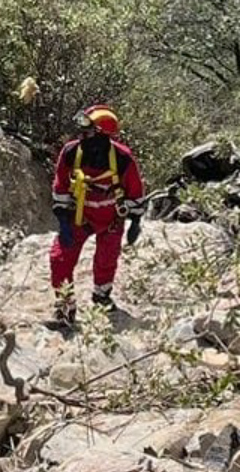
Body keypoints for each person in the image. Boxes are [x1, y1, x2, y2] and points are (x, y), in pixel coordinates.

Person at [48, 104, 146, 327]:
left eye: (88, 130)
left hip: (111, 218)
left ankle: (101, 295)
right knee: (60, 259)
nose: (83, 134)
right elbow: (61, 184)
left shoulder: (122, 158)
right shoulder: (72, 152)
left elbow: (135, 189)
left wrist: (135, 221)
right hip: (79, 215)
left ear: (102, 133)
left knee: (106, 259)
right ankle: (65, 307)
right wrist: (63, 221)